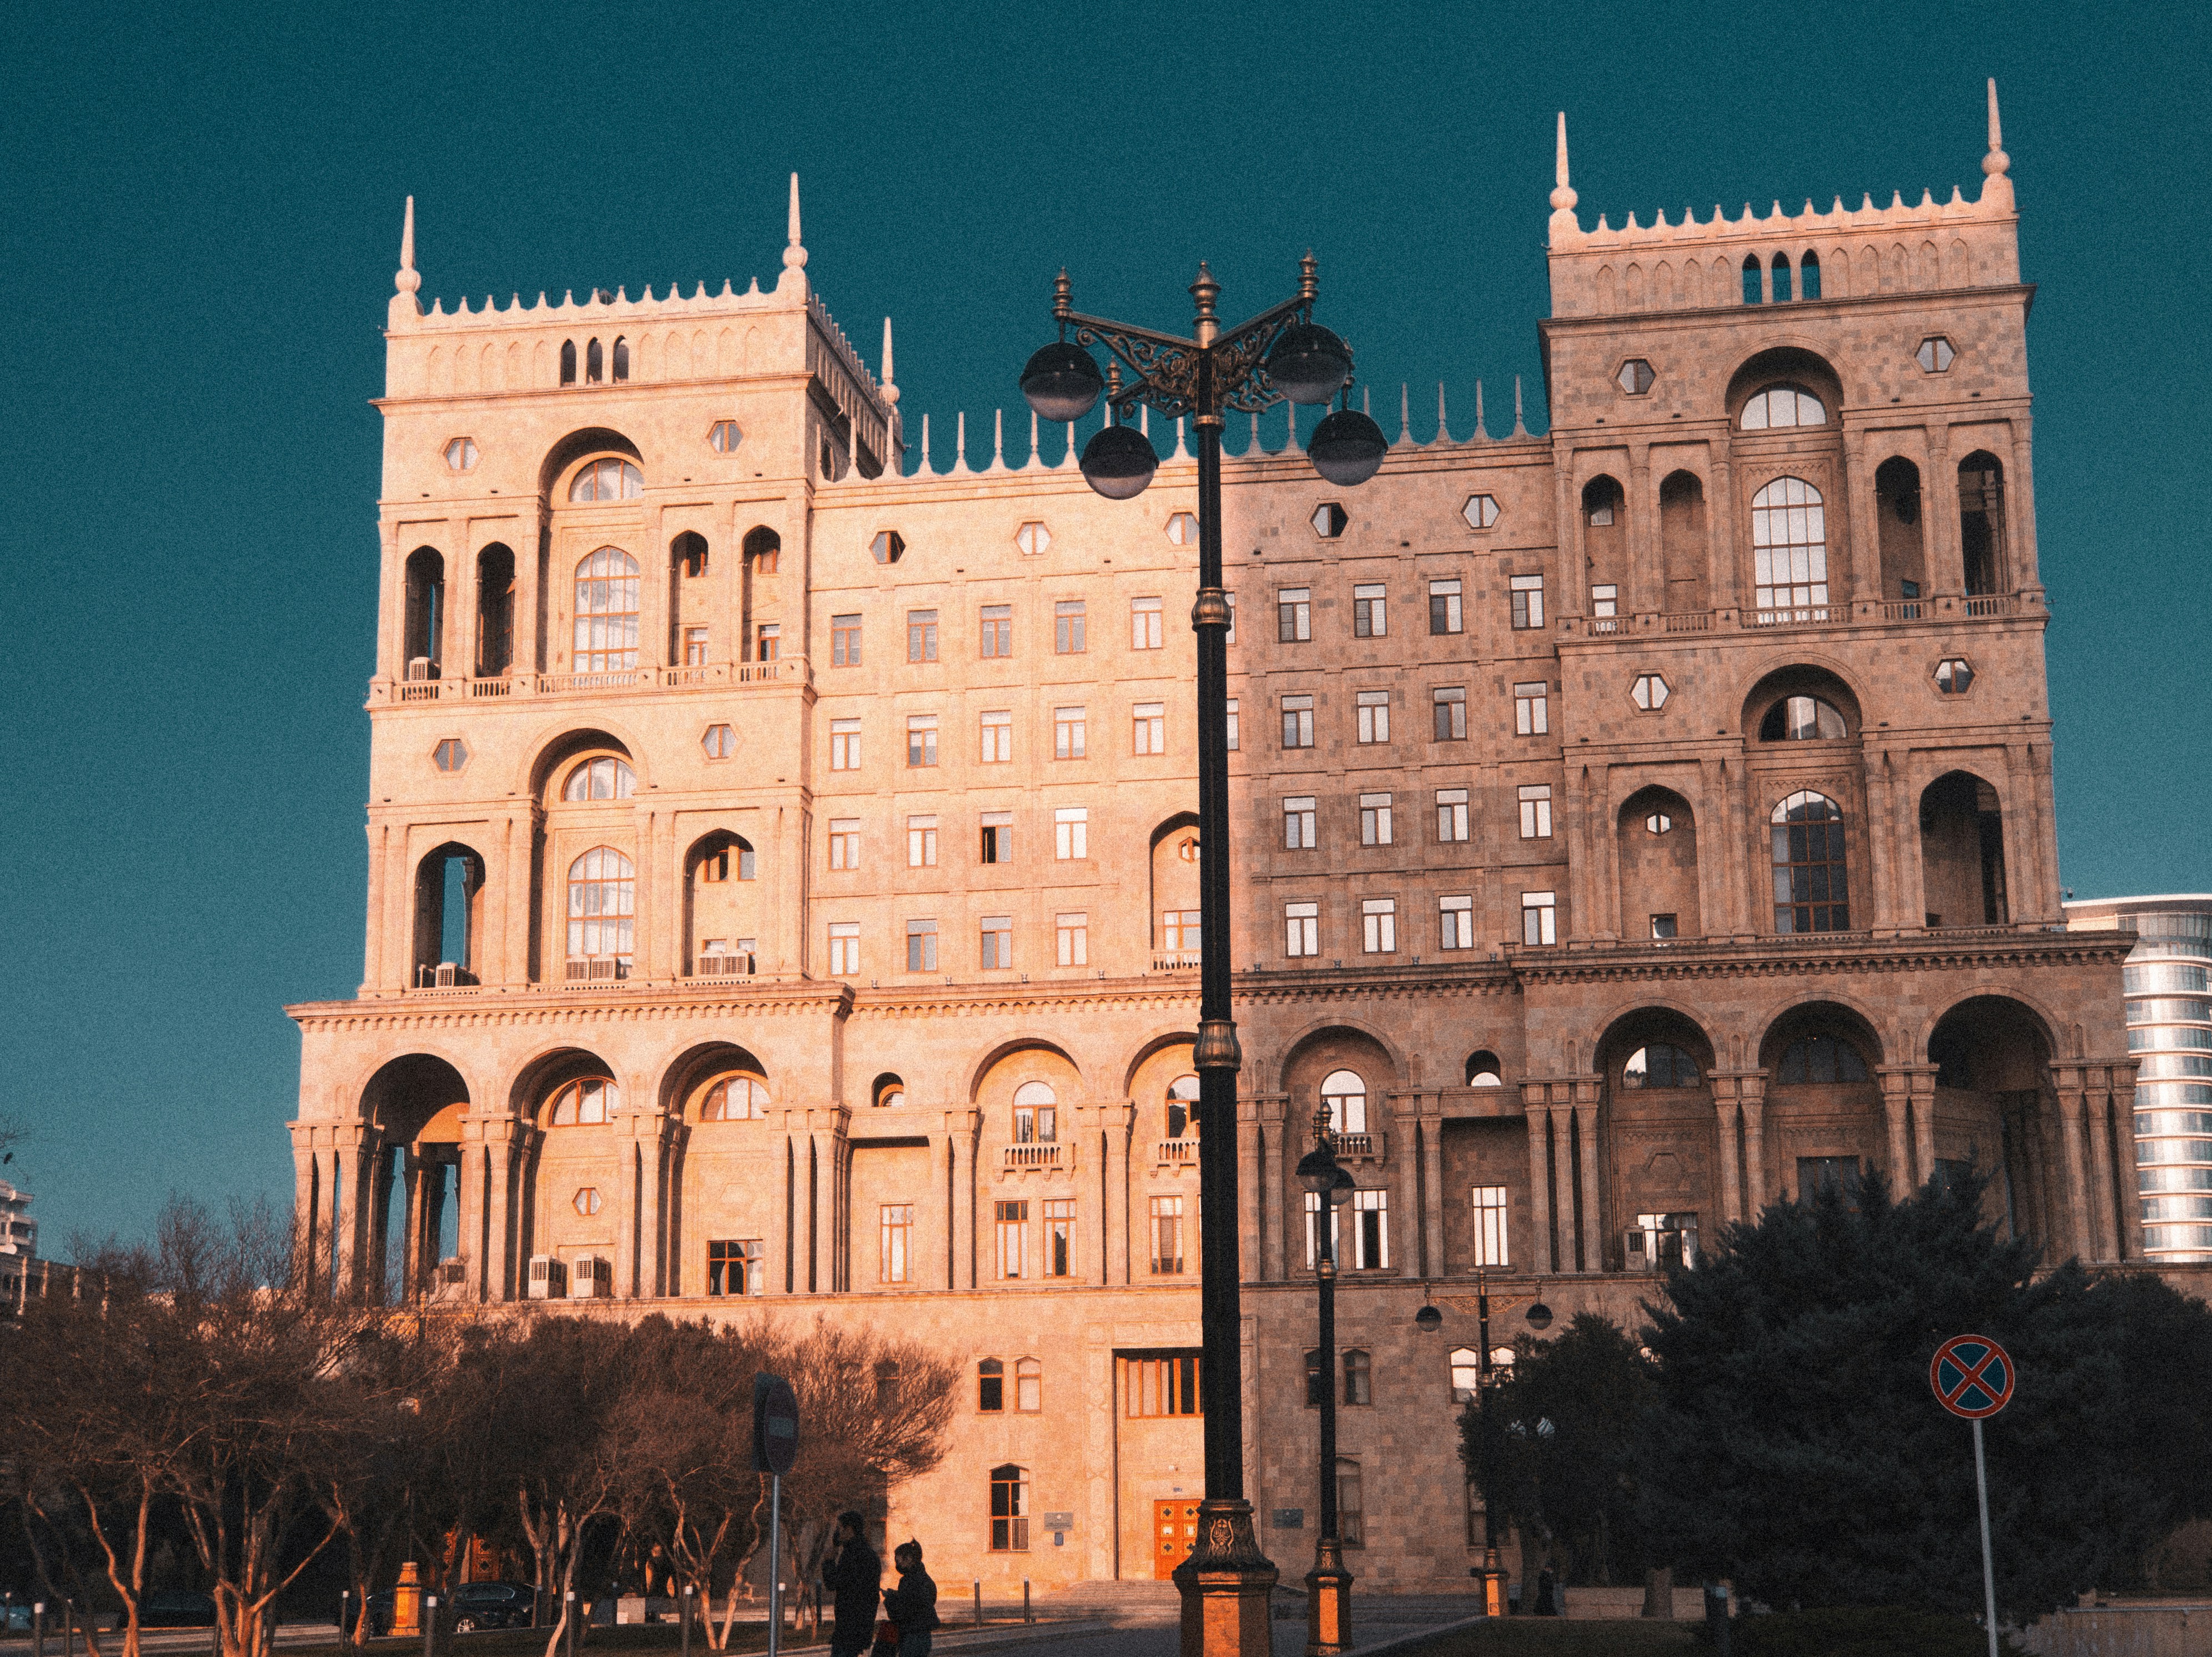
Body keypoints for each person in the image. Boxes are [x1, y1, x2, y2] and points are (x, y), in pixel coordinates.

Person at [820, 1512, 881, 1657]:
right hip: (863, 1624)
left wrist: (829, 1561)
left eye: (840, 1528)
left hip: (849, 1628)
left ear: (849, 1530)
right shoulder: (870, 1554)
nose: (837, 1532)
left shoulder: (852, 1555)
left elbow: (834, 1582)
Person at [880, 1540, 938, 1657]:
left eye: (898, 1560)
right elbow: (919, 1601)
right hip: (924, 1635)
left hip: (912, 1636)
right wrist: (897, 1595)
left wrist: (890, 1600)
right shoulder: (925, 1578)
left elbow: (902, 1612)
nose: (897, 1565)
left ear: (909, 1559)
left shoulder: (908, 1581)